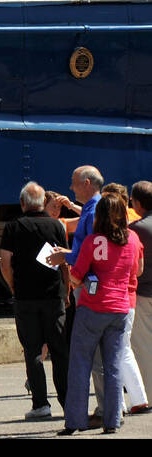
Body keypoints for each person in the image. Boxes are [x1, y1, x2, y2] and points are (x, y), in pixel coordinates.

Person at [60, 193, 144, 434]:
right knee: (113, 366)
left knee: (80, 365)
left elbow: (76, 278)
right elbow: (134, 274)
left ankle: (74, 422)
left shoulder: (92, 241)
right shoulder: (133, 240)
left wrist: (72, 270)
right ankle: (112, 421)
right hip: (120, 309)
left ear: (100, 216)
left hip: (92, 309)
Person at [0, 181, 69, 420]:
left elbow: (5, 263)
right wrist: (66, 290)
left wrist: (13, 286)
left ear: (22, 203)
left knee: (33, 351)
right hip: (53, 296)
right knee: (59, 350)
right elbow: (64, 261)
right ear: (42, 203)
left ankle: (41, 404)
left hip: (25, 297)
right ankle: (68, 402)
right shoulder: (56, 225)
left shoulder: (13, 227)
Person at [130, 181, 152, 407]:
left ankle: (149, 396)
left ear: (137, 203)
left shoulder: (137, 229)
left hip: (144, 292)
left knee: (143, 346)